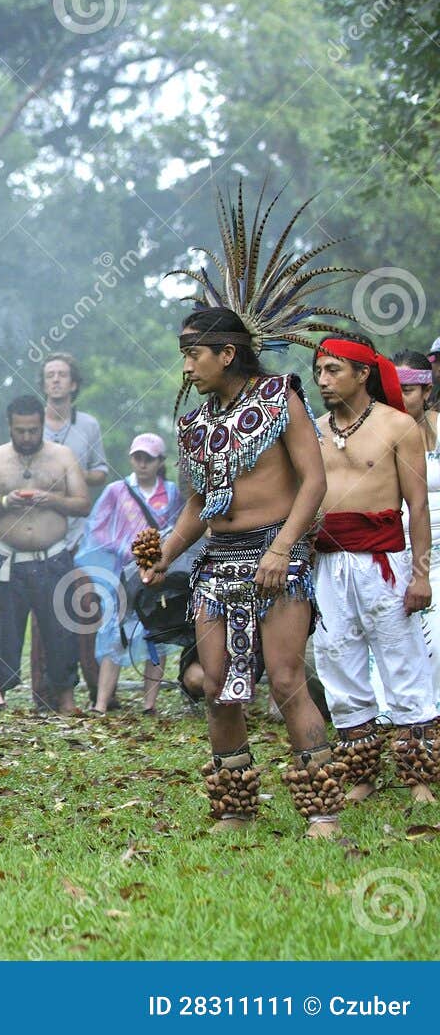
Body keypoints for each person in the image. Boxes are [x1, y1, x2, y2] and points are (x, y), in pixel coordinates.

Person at [143, 214, 344, 838]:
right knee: (218, 687)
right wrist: (164, 555)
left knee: (284, 679)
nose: (187, 368)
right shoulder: (196, 424)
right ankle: (234, 806)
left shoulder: (282, 395)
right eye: (183, 356)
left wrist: (285, 547)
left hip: (278, 554)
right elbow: (199, 506)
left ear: (227, 353)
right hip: (218, 561)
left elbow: (314, 480)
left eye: (194, 354)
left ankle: (322, 808)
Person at [312, 334, 436, 805]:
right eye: (320, 370)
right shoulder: (314, 428)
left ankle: (418, 776)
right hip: (327, 563)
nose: (323, 380)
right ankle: (361, 773)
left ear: (363, 373)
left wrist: (420, 575)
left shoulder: (396, 426)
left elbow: (418, 507)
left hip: (385, 563)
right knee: (337, 661)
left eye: (334, 370)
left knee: (402, 663)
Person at [0, 394, 91, 712]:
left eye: (33, 430)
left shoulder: (62, 455)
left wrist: (51, 498)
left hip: (53, 559)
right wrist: (5, 502)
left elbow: (83, 504)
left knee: (62, 632)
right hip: (8, 560)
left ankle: (66, 699)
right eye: (20, 430)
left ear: (43, 425)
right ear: (10, 426)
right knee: (2, 632)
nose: (27, 437)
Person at [80, 433, 183, 715]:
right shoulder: (116, 490)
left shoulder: (172, 493)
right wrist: (126, 548)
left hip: (158, 573)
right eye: (138, 457)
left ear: (160, 461)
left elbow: (180, 527)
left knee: (157, 632)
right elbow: (97, 529)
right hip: (122, 574)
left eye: (149, 458)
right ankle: (101, 702)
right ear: (131, 459)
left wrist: (161, 550)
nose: (143, 463)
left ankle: (150, 704)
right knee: (114, 631)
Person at [40, 352, 110, 702]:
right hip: (40, 530)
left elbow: (102, 471)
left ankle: (100, 689)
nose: (55, 380)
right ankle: (46, 692)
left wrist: (72, 475)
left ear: (73, 383)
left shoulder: (89, 425)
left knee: (86, 607)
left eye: (61, 374)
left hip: (81, 532)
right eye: (49, 374)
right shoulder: (31, 425)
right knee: (43, 613)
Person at [394, 348, 440, 707]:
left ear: (426, 391)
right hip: (397, 552)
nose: (400, 397)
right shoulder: (377, 433)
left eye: (407, 390)